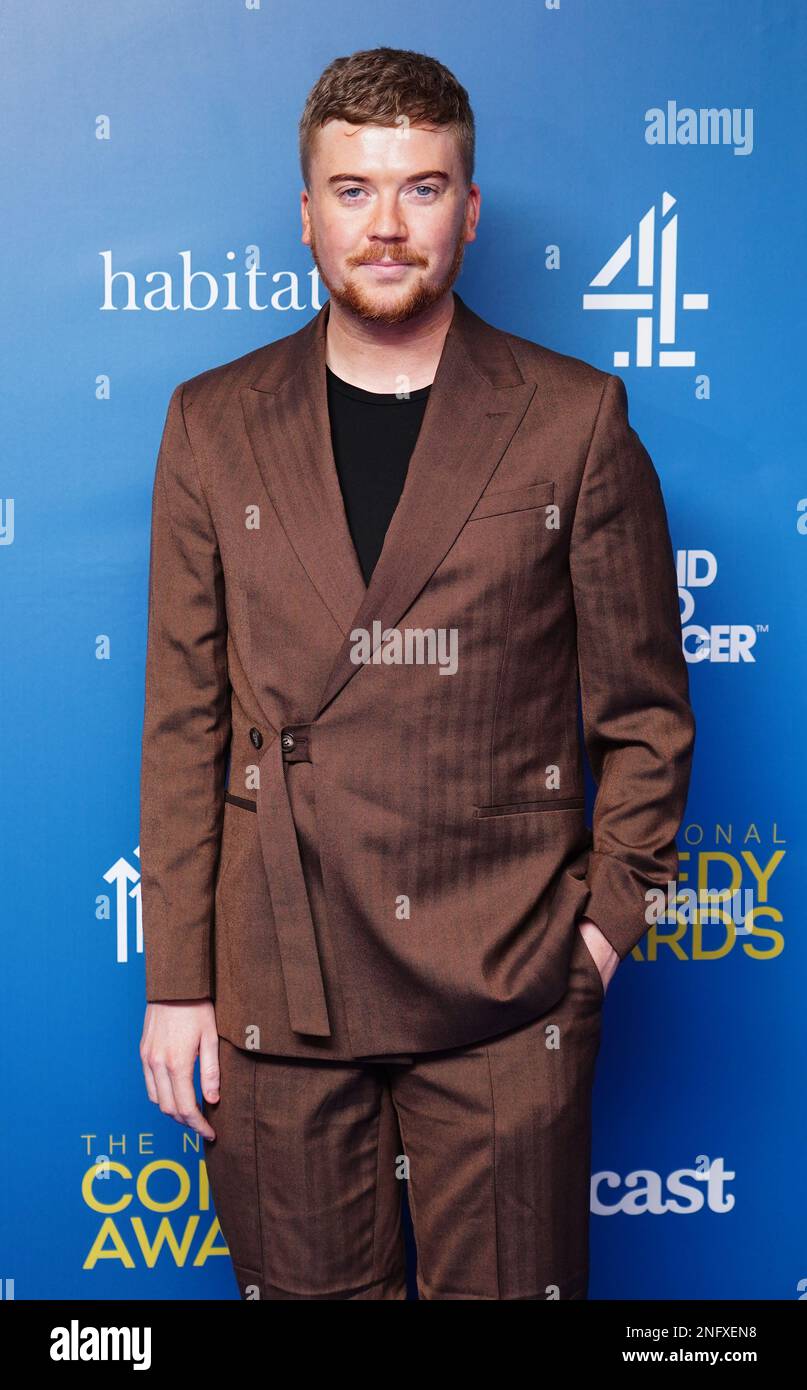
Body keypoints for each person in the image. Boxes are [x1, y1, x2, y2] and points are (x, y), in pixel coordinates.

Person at [139, 45, 695, 1300]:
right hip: (278, 972)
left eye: (422, 188)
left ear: (470, 210)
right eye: (354, 190)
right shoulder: (211, 422)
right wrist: (178, 983)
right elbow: (183, 720)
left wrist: (598, 936)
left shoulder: (573, 419)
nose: (386, 226)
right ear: (307, 213)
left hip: (505, 980)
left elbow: (647, 717)